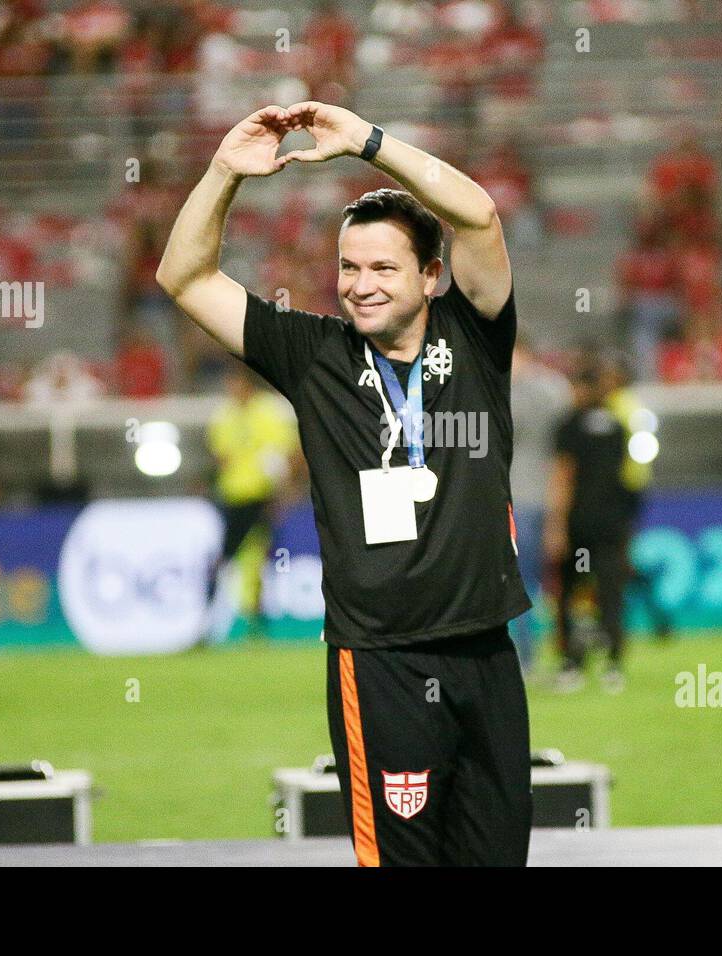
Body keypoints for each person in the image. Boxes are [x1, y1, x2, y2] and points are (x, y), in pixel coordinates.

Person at [155, 102, 532, 866]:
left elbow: (480, 214)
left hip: (488, 654)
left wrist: (364, 142)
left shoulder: (476, 334)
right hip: (380, 661)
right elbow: (184, 277)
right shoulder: (313, 354)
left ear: (432, 276)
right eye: (349, 268)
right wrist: (226, 168)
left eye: (383, 268)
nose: (360, 286)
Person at [545, 356, 638, 694]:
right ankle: (614, 663)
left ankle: (572, 663)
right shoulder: (617, 425)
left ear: (578, 388)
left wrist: (555, 525)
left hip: (579, 523)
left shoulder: (568, 425)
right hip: (612, 523)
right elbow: (625, 477)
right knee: (611, 592)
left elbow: (563, 476)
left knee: (570, 593)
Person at [206, 363, 299, 640]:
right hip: (233, 497)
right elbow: (219, 457)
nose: (231, 389)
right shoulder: (223, 415)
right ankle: (209, 618)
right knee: (225, 558)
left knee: (258, 560)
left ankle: (256, 622)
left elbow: (288, 454)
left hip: (262, 496)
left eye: (235, 383)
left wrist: (283, 488)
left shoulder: (269, 411)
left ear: (247, 383)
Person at [507, 334, 569, 674]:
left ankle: (546, 654)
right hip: (513, 499)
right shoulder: (550, 388)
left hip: (536, 499)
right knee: (519, 582)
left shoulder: (545, 389)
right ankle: (524, 655)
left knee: (535, 583)